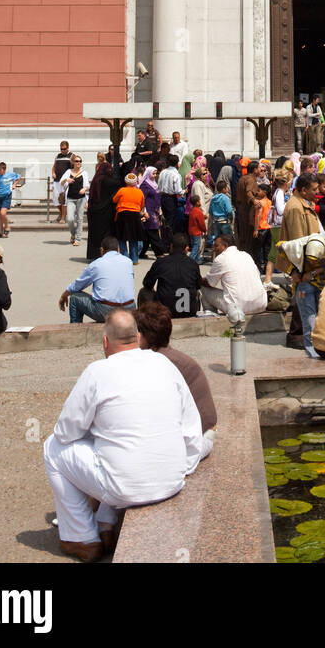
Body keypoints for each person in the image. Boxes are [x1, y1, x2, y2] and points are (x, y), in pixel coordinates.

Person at [43, 309, 203, 561]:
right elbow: (191, 428)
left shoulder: (97, 371)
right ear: (138, 337)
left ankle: (82, 538)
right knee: (117, 446)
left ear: (105, 342)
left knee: (52, 448)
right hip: (172, 480)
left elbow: (65, 433)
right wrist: (183, 467)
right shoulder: (164, 364)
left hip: (124, 486)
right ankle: (104, 523)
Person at [135, 301, 217, 458]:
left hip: (196, 440)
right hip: (205, 430)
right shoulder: (169, 356)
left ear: (144, 337)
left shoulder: (161, 362)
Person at [278, 232, 325, 358]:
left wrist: (314, 272)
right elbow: (279, 248)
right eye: (309, 261)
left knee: (324, 316)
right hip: (303, 286)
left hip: (323, 284)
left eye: (314, 261)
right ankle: (313, 350)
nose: (311, 263)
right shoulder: (297, 245)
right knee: (309, 318)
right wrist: (292, 272)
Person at [59, 235, 135, 323]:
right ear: (118, 249)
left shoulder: (97, 264)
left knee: (75, 298)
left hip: (106, 310)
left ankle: (75, 331)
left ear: (102, 250)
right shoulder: (128, 262)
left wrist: (64, 295)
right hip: (130, 309)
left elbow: (78, 285)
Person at [201, 234, 267, 319]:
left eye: (216, 246)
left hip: (239, 308)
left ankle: (211, 320)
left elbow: (210, 283)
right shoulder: (246, 255)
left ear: (225, 246)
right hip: (260, 304)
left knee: (204, 289)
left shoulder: (221, 258)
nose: (214, 249)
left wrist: (197, 279)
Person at [142, 232, 200, 317]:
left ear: (171, 246)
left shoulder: (160, 262)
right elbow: (198, 285)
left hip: (164, 312)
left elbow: (147, 284)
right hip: (189, 311)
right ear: (186, 248)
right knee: (197, 293)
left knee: (143, 292)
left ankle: (146, 321)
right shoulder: (193, 264)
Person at [86, 154, 118, 262]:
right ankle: (104, 253)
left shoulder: (96, 179)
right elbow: (117, 184)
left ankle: (93, 254)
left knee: (94, 233)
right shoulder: (106, 180)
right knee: (105, 233)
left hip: (94, 210)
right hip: (104, 212)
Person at [113, 173, 146, 264]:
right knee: (134, 237)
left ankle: (124, 258)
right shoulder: (139, 192)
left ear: (125, 181)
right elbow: (142, 204)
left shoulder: (122, 190)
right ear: (136, 182)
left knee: (121, 237)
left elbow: (114, 200)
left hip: (122, 215)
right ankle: (134, 259)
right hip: (135, 215)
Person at [59, 154, 89, 249]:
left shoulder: (84, 172)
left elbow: (87, 185)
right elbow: (61, 182)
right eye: (76, 161)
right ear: (73, 162)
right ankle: (73, 233)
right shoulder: (68, 172)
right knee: (70, 218)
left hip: (81, 198)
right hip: (71, 198)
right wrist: (67, 179)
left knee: (79, 219)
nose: (79, 163)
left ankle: (78, 239)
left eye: (80, 161)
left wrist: (84, 189)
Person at [282, 172, 321, 241]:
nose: (318, 191)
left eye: (317, 188)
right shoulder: (295, 208)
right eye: (314, 189)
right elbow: (297, 242)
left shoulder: (308, 202)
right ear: (304, 191)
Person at [0, 161, 19, 240]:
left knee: (3, 213)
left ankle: (7, 227)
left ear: (4, 170)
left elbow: (18, 177)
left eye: (0, 170)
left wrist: (14, 185)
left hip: (7, 195)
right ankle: (0, 232)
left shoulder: (10, 174)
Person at [157, 154, 183, 241]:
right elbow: (178, 190)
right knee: (170, 221)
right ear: (177, 163)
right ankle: (168, 242)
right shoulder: (176, 174)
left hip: (162, 197)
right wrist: (184, 191)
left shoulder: (163, 172)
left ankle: (164, 240)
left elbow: (159, 186)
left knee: (164, 221)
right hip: (170, 199)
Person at [50, 141, 73, 225]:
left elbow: (74, 169)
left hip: (66, 182)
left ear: (68, 148)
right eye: (61, 149)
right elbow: (54, 167)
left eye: (64, 149)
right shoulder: (58, 156)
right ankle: (61, 213)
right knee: (56, 200)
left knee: (64, 200)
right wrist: (53, 173)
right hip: (57, 181)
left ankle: (63, 217)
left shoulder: (72, 156)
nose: (63, 150)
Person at [185, 195, 207, 263]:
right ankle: (190, 260)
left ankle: (197, 260)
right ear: (197, 202)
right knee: (196, 247)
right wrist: (204, 230)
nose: (200, 202)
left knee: (194, 245)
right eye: (199, 201)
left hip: (191, 231)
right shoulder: (199, 211)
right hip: (196, 232)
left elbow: (195, 219)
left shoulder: (192, 210)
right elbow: (201, 223)